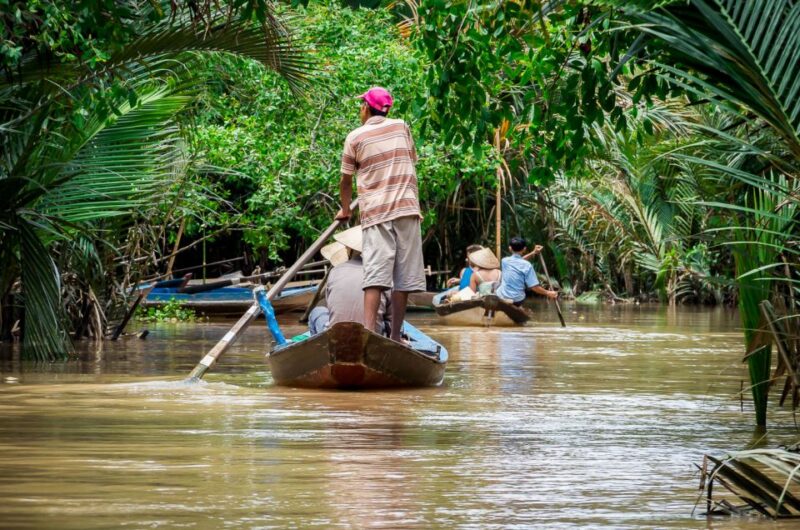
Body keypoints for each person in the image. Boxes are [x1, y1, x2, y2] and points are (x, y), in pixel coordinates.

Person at [336, 87, 425, 343]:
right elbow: (410, 160)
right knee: (403, 278)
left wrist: (344, 210)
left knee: (374, 276)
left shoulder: (355, 137)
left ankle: (369, 334)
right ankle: (395, 335)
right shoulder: (401, 126)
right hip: (407, 209)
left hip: (376, 212)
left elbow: (345, 181)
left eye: (361, 106)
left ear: (366, 108)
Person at [308, 225, 392, 335]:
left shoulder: (335, 271)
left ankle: (322, 349)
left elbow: (332, 307)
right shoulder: (383, 272)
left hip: (337, 336)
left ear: (350, 250)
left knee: (317, 312)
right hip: (372, 336)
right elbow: (391, 318)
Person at [495, 236, 558, 305]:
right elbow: (534, 287)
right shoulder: (527, 265)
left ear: (510, 248)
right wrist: (548, 293)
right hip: (517, 299)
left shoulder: (504, 261)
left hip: (502, 296)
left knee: (495, 285)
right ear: (524, 249)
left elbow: (518, 261)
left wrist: (533, 252)